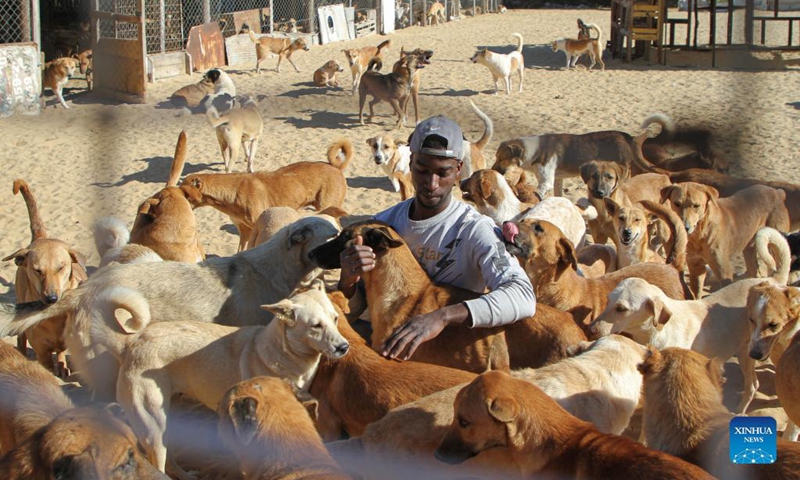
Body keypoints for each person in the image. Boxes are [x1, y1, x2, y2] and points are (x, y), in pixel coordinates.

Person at [338, 115, 536, 361]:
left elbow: (522, 296)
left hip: (449, 355)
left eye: (443, 173)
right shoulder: (384, 225)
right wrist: (348, 280)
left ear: (458, 171)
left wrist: (441, 316)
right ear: (410, 165)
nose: (431, 183)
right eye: (422, 170)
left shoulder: (474, 229)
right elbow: (359, 308)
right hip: (386, 343)